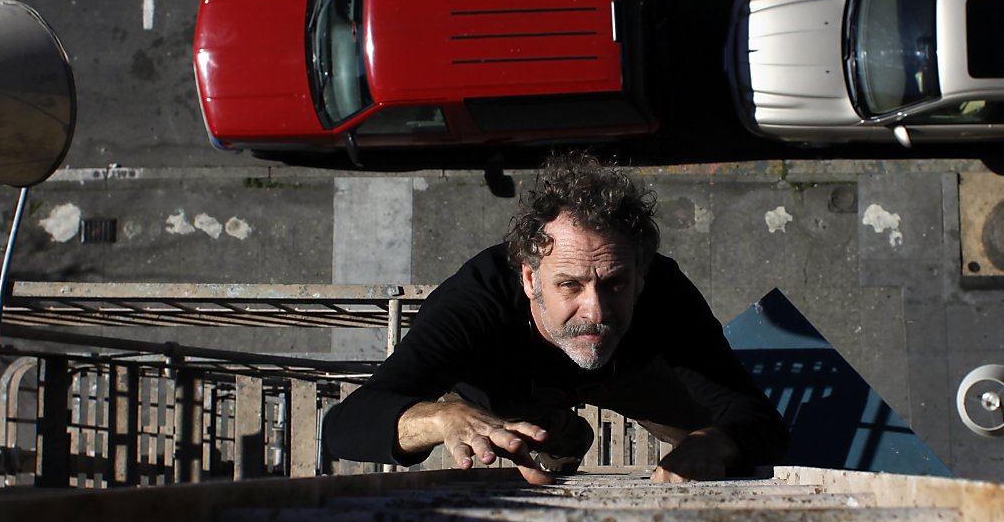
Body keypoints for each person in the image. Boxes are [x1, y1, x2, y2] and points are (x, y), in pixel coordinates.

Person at [322, 153, 787, 484]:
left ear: (641, 276)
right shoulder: (474, 303)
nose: (596, 311)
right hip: (510, 394)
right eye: (569, 285)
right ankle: (566, 436)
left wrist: (716, 441)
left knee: (713, 446)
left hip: (631, 374)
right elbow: (346, 424)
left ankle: (575, 431)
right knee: (541, 454)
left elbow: (756, 417)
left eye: (615, 283)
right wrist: (441, 418)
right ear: (529, 279)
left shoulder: (663, 290)